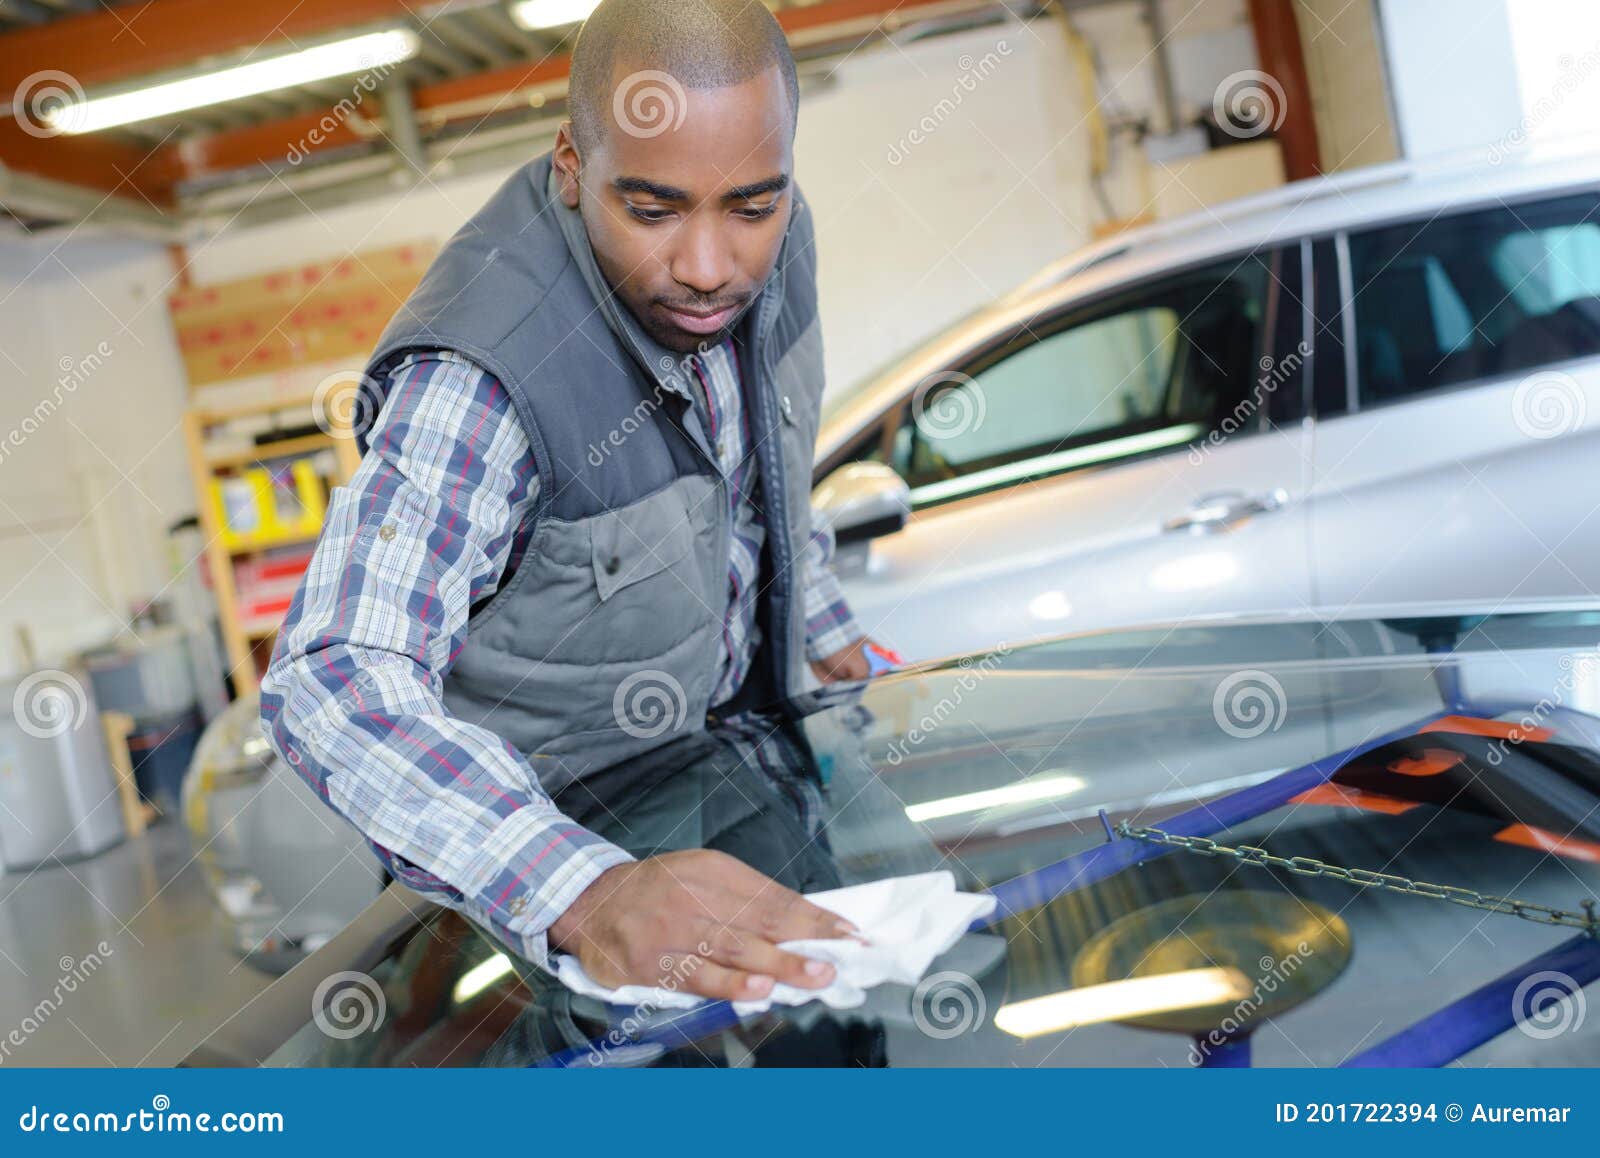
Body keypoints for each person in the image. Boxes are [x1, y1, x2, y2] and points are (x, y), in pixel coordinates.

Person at [262, 0, 888, 1007]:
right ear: (570, 166)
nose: (707, 267)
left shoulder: (781, 237)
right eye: (652, 211)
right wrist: (584, 895)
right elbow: (332, 674)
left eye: (750, 208)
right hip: (540, 886)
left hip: (737, 778)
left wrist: (818, 621)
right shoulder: (483, 376)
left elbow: (754, 460)